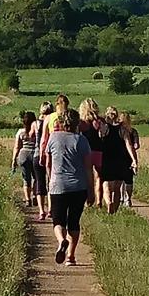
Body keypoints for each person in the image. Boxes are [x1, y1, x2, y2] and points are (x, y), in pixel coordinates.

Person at [45, 107, 93, 266]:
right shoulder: (82, 141)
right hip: (78, 186)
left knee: (58, 220)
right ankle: (71, 256)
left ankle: (61, 240)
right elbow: (88, 168)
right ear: (76, 123)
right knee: (74, 221)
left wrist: (50, 180)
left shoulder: (53, 138)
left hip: (58, 185)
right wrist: (91, 191)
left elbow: (48, 163)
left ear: (61, 122)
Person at [99, 106, 135, 213]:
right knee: (117, 188)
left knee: (106, 185)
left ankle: (108, 202)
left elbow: (99, 139)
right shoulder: (122, 129)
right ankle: (114, 210)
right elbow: (129, 145)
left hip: (107, 159)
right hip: (120, 161)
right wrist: (134, 159)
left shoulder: (104, 128)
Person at [11, 111, 40, 215]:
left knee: (26, 179)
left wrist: (14, 160)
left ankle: (28, 199)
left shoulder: (20, 132)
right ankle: (35, 196)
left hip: (23, 155)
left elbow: (17, 147)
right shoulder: (36, 131)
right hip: (35, 154)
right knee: (36, 178)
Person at [77, 98, 107, 197]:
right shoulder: (100, 121)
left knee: (87, 175)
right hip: (99, 150)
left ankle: (89, 196)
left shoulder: (82, 122)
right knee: (99, 177)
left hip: (86, 151)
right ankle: (99, 200)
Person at [32, 101, 53, 221]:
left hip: (37, 153)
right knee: (51, 182)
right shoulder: (52, 122)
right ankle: (50, 209)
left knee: (40, 183)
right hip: (50, 154)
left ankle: (41, 211)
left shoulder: (36, 123)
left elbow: (31, 135)